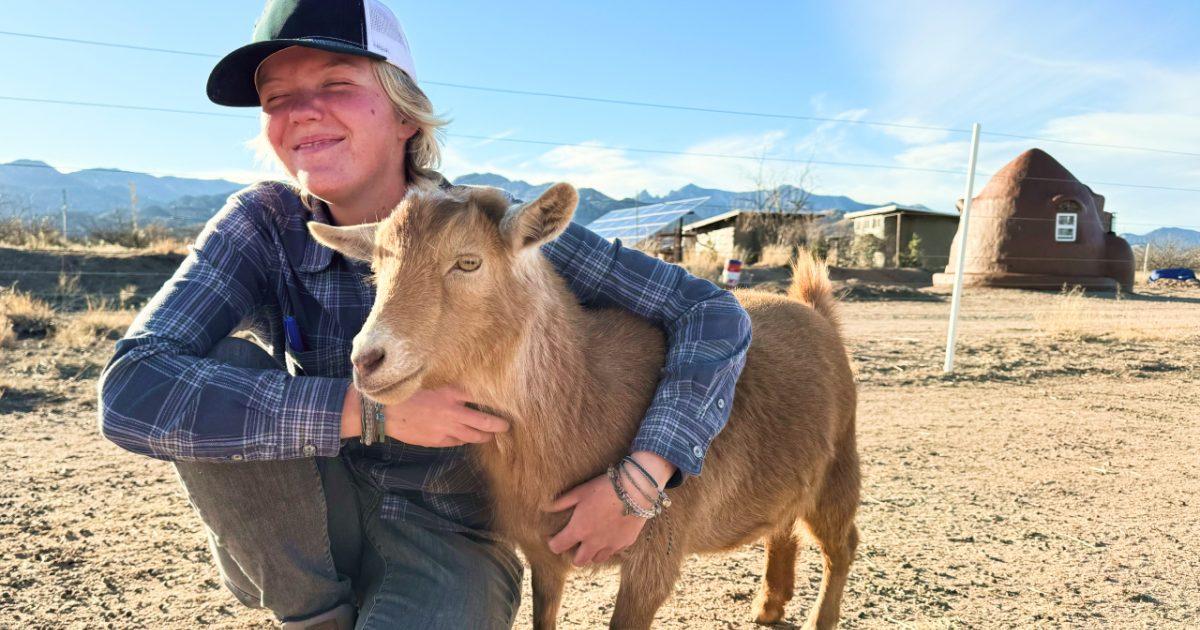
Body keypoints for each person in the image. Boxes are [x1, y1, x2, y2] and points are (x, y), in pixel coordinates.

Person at [98, 1, 752, 628]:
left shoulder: (494, 227)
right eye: (277, 99)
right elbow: (131, 390)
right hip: (311, 518)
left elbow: (709, 313)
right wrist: (368, 411)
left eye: (336, 83)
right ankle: (313, 617)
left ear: (406, 114)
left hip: (454, 534)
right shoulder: (262, 225)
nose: (302, 112)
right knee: (214, 364)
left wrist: (642, 477)